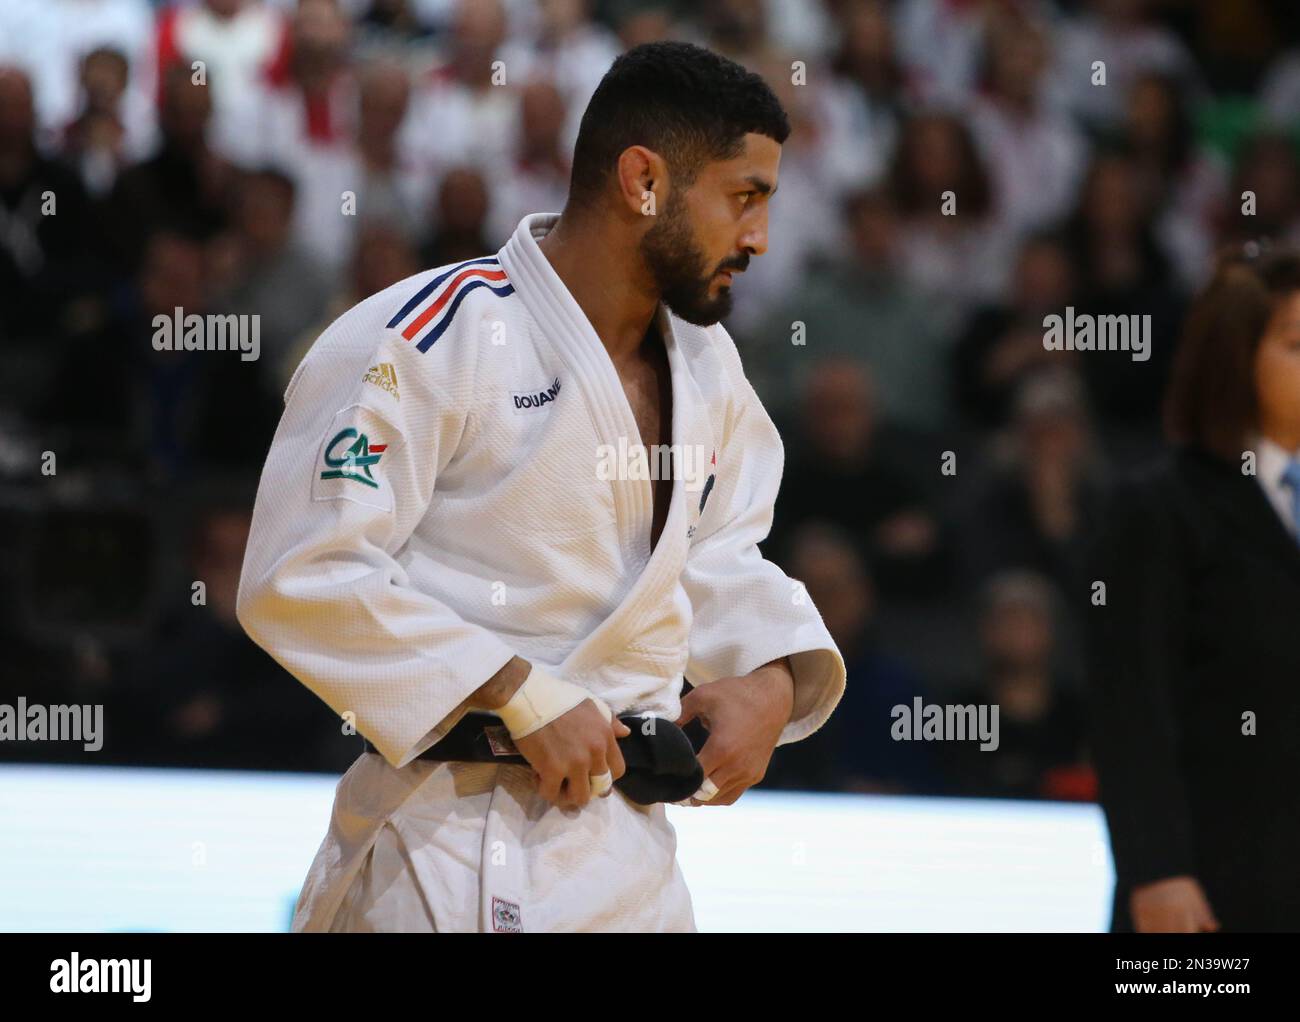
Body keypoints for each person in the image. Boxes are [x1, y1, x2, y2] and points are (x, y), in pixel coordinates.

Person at [237, 41, 846, 933]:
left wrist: (778, 681)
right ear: (643, 180)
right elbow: (303, 573)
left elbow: (715, 555)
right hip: (440, 841)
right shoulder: (426, 339)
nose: (758, 239)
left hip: (629, 860)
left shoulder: (709, 367)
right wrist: (512, 688)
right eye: (743, 198)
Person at [1088, 242, 1300, 932]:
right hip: (1208, 882)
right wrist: (1157, 871)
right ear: (1235, 363)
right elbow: (1131, 708)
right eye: (1297, 345)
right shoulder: (1159, 508)